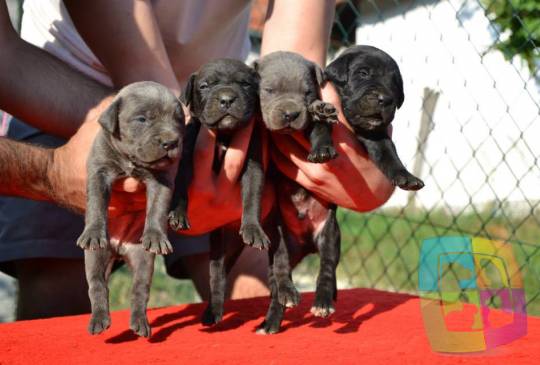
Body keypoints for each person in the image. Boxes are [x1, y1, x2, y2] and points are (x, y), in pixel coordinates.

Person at [0, 0, 394, 320]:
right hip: (69, 92)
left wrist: (348, 161)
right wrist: (55, 171)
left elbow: (292, 62)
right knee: (56, 282)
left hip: (224, 105)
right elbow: (139, 70)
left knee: (255, 287)